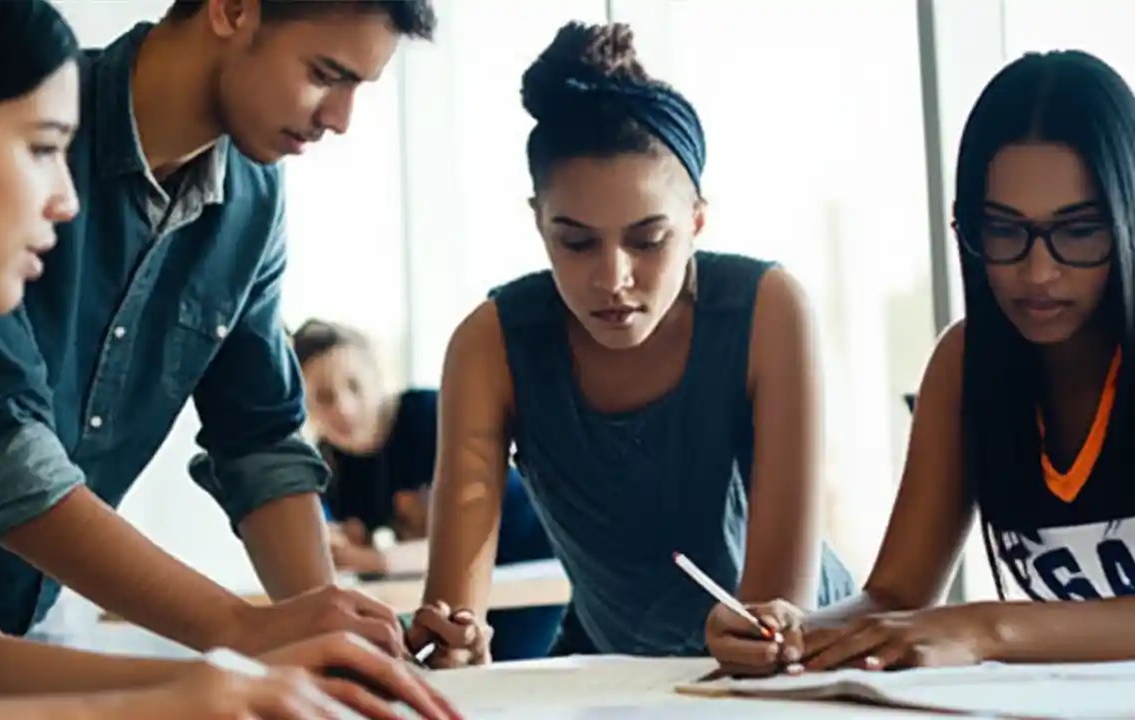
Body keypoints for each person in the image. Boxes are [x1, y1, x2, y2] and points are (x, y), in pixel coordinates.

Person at [0, 3, 456, 718]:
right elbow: (5, 459)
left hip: (10, 634)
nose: (69, 200)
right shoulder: (22, 78)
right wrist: (235, 641)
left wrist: (309, 656)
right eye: (44, 149)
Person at [406, 21, 855, 667]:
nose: (613, 279)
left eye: (648, 240)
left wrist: (766, 639)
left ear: (697, 220)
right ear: (538, 222)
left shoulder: (767, 309)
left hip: (805, 654)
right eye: (576, 242)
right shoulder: (491, 343)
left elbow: (777, 613)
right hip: (612, 665)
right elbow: (453, 621)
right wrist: (454, 644)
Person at [707, 50, 1135, 677]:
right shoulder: (965, 363)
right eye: (1002, 230)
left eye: (1078, 231)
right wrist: (788, 628)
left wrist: (985, 627)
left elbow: (966, 626)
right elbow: (897, 596)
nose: (1038, 271)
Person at [292, 319, 565, 660]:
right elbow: (339, 552)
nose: (344, 408)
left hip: (532, 567)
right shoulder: (329, 468)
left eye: (354, 386)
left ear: (378, 376)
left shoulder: (435, 416)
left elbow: (466, 541)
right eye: (323, 397)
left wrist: (373, 557)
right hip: (456, 592)